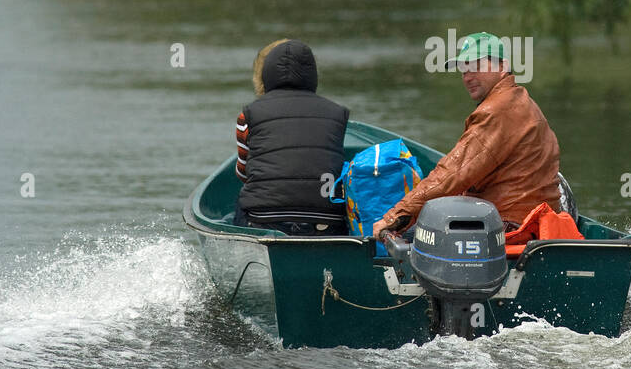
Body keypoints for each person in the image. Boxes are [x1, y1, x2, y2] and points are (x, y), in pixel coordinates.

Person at [372, 32, 561, 238]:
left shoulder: (497, 111)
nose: (468, 77)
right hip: (531, 221)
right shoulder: (518, 100)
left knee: (414, 236)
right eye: (463, 69)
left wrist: (396, 216)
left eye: (476, 67)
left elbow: (453, 174)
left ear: (502, 67)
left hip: (510, 226)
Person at [233, 39, 349, 235]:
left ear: (266, 74)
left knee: (239, 204)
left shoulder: (249, 114)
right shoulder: (338, 114)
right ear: (313, 75)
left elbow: (244, 174)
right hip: (326, 222)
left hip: (264, 220)